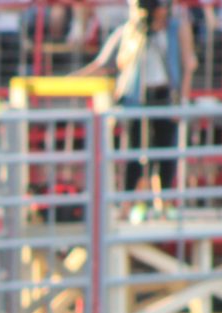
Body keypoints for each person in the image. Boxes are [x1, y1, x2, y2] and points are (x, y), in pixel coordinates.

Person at [79, 0, 196, 218]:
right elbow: (109, 62)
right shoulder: (132, 29)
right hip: (136, 98)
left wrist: (183, 100)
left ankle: (163, 205)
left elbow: (188, 63)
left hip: (165, 95)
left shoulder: (176, 27)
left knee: (165, 151)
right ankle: (127, 205)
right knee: (134, 152)